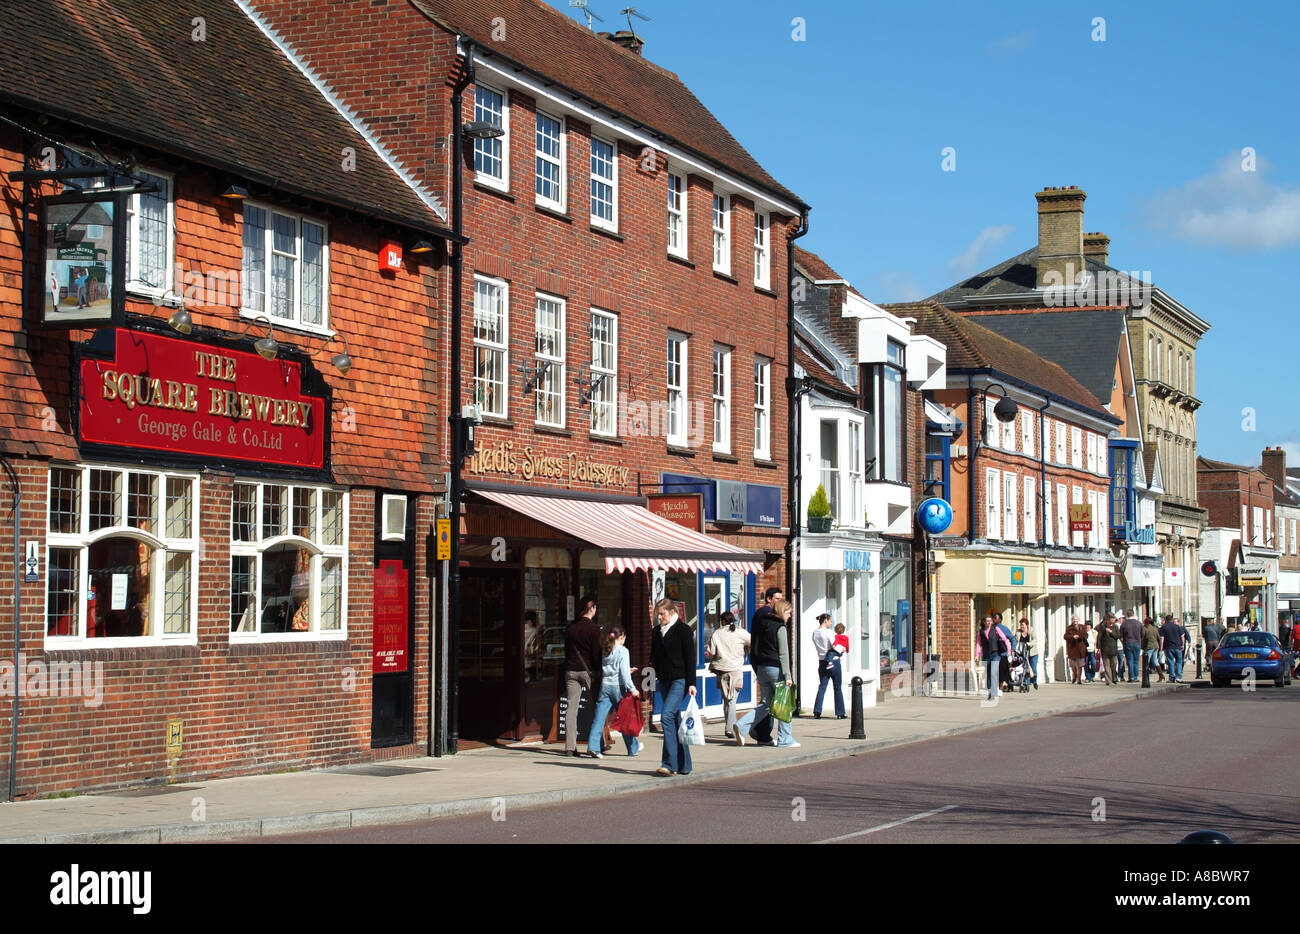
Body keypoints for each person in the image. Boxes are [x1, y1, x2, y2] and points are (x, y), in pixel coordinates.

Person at [742, 593, 796, 747]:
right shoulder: (780, 628)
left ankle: (741, 725)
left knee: (766, 703)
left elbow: (755, 646)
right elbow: (784, 654)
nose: (790, 616)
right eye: (788, 612)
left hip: (762, 668)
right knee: (784, 704)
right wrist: (788, 676)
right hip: (776, 669)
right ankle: (785, 739)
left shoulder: (762, 623)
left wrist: (756, 667)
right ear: (781, 612)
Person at [651, 598, 697, 776]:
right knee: (676, 720)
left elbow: (690, 659)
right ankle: (685, 764)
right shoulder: (656, 632)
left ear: (671, 612)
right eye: (658, 615)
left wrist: (692, 683)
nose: (659, 617)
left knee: (667, 716)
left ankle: (669, 763)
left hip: (680, 679)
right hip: (664, 680)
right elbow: (653, 656)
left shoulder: (683, 630)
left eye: (662, 614)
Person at [588, 627, 640, 758]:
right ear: (621, 637)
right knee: (624, 718)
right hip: (618, 687)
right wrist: (633, 689)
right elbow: (623, 673)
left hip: (605, 686)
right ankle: (633, 747)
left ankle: (593, 746)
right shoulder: (623, 651)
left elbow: (610, 669)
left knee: (599, 718)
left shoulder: (606, 649)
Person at [563, 595, 603, 758]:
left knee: (571, 709)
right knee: (597, 708)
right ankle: (597, 744)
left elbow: (566, 650)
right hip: (588, 672)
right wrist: (599, 671)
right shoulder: (593, 629)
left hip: (571, 670)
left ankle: (570, 747)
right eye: (595, 608)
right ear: (591, 609)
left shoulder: (570, 628)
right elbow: (596, 654)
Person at [705, 610, 749, 742]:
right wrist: (744, 652)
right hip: (735, 668)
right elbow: (753, 642)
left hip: (721, 669)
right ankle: (730, 728)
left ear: (722, 621)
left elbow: (711, 651)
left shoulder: (717, 633)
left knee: (727, 699)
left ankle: (728, 727)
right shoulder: (741, 632)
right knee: (732, 699)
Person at [812, 613, 845, 719]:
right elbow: (834, 645)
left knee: (822, 686)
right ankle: (840, 712)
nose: (831, 623)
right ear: (825, 620)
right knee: (837, 688)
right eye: (830, 621)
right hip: (834, 662)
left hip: (822, 662)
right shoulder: (829, 632)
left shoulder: (815, 633)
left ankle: (817, 711)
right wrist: (843, 649)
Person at [974, 614, 1014, 701]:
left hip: (995, 654)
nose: (989, 623)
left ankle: (994, 691)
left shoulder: (996, 629)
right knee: (988, 674)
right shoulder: (981, 632)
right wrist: (977, 655)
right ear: (984, 622)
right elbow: (978, 644)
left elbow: (1004, 639)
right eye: (987, 621)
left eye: (990, 621)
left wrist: (1009, 650)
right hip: (986, 655)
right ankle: (990, 692)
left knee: (993, 673)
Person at [1159, 613, 1189, 683]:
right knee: (1179, 661)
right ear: (1172, 620)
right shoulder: (1177, 627)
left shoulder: (1164, 627)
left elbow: (1162, 638)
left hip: (1168, 647)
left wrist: (1161, 647)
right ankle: (1178, 677)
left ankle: (1171, 677)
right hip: (1177, 646)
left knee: (1170, 662)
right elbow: (1182, 637)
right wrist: (1183, 645)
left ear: (1166, 620)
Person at [1097, 613, 1122, 685]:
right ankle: (1108, 680)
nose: (1113, 620)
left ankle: (1114, 678)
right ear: (1108, 620)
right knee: (1106, 665)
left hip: (1113, 649)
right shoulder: (1102, 627)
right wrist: (1098, 647)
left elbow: (1118, 636)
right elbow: (1099, 638)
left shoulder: (1116, 627)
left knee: (1114, 664)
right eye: (1112, 619)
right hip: (1105, 649)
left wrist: (1111, 632)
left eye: (1114, 619)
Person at [1120, 609, 1144, 683]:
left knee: (1130, 660)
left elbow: (1121, 635)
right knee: (1136, 661)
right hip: (1137, 643)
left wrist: (1123, 641)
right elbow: (1143, 634)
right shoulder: (1139, 623)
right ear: (1133, 614)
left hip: (1128, 643)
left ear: (1127, 615)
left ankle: (1131, 677)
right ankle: (1136, 677)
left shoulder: (1124, 624)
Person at [1016, 618, 1038, 690]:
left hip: (1032, 653)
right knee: (1025, 669)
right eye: (1020, 625)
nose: (1021, 626)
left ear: (1026, 625)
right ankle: (1027, 684)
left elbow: (1035, 640)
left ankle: (1034, 681)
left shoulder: (1031, 630)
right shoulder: (1018, 632)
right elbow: (1015, 640)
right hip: (1023, 653)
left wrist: (1029, 644)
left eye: (1023, 625)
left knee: (1033, 669)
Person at [1064, 616, 1087, 684]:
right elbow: (1065, 636)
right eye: (1074, 620)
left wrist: (1079, 636)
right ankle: (1074, 675)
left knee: (1080, 665)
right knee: (1073, 665)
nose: (1075, 621)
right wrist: (1072, 637)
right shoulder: (1069, 628)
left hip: (1080, 648)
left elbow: (1086, 635)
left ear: (1078, 620)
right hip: (1072, 648)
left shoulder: (1082, 627)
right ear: (1071, 620)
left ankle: (1079, 679)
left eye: (1076, 619)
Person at [1142, 616, 1163, 683]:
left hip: (1149, 646)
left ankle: (1145, 678)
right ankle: (1161, 674)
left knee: (1146, 661)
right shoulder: (1155, 628)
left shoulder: (1145, 628)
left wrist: (1142, 647)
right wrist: (1159, 646)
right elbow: (1158, 638)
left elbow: (1144, 638)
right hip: (1155, 646)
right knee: (1155, 661)